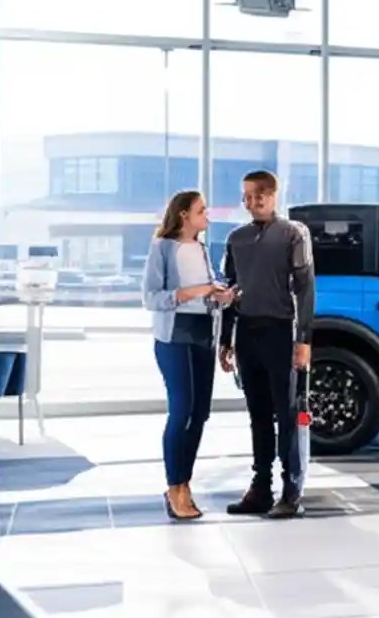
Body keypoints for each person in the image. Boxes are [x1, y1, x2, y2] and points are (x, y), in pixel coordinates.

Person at [217, 170, 315, 519]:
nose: (252, 201)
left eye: (259, 195)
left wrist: (304, 340)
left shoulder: (294, 233)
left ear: (273, 196)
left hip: (280, 332)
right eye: (247, 196)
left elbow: (305, 288)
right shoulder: (237, 238)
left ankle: (291, 491)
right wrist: (225, 339)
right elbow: (231, 289)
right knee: (257, 414)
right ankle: (261, 488)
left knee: (287, 414)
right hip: (247, 333)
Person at [142, 190, 234, 521]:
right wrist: (199, 290)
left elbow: (207, 294)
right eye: (201, 210)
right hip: (174, 337)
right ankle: (173, 486)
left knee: (200, 413)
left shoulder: (202, 249)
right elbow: (152, 298)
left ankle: (184, 485)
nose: (207, 215)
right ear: (184, 215)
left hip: (203, 335)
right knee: (181, 411)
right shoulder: (162, 248)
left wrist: (221, 295)